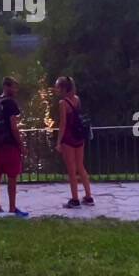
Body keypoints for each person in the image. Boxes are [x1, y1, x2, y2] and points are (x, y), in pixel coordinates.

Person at [0, 77, 29, 218]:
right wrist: (21, 145)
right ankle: (12, 208)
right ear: (7, 87)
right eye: (14, 87)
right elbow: (14, 127)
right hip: (9, 144)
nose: (16, 90)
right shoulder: (10, 104)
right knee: (12, 177)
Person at [54, 76, 93, 208]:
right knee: (81, 166)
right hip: (79, 137)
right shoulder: (77, 99)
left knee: (71, 170)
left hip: (69, 138)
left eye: (57, 87)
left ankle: (75, 199)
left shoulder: (63, 103)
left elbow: (63, 124)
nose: (56, 90)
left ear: (63, 88)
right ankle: (88, 196)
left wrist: (59, 142)